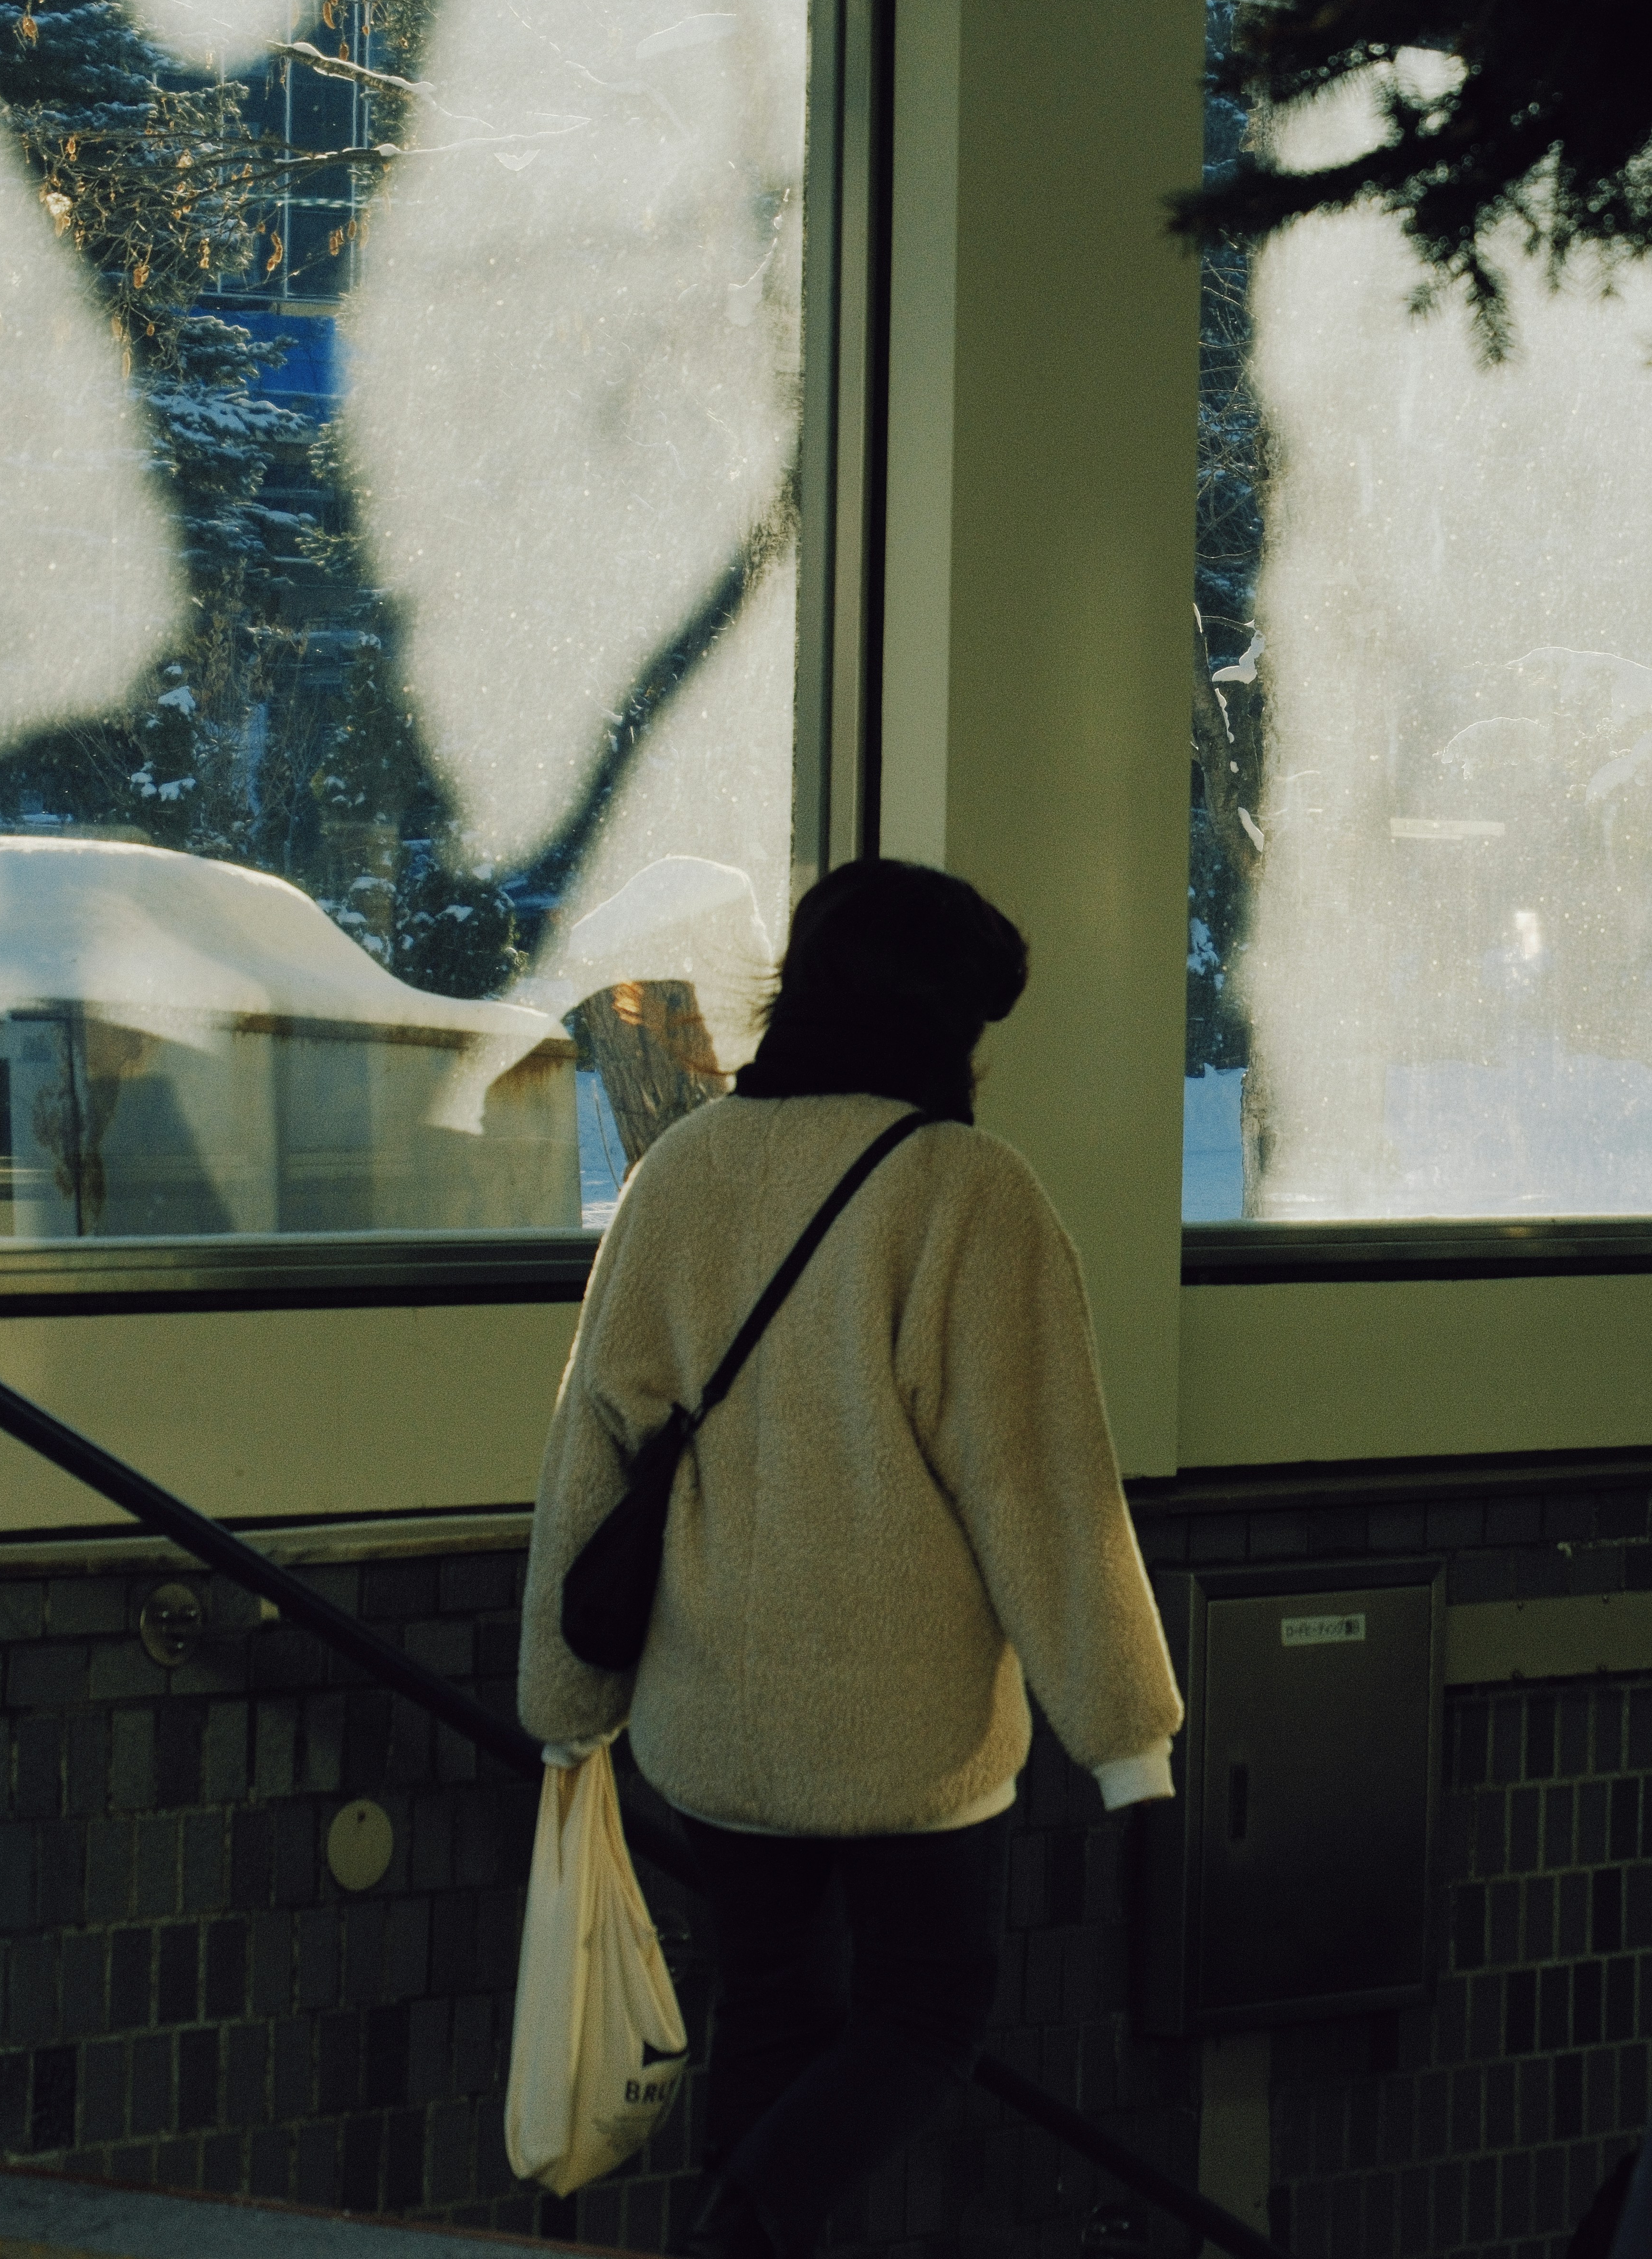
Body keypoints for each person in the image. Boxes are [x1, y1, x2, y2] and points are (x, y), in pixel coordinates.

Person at [519, 859, 1182, 2259]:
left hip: (710, 1727)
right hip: (905, 1743)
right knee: (927, 2018)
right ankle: (739, 2237)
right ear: (941, 1023)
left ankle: (739, 2229)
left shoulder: (680, 1171)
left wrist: (565, 1713)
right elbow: (1042, 1489)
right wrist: (1130, 1740)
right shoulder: (966, 1192)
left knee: (770, 2012)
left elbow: (595, 1439)